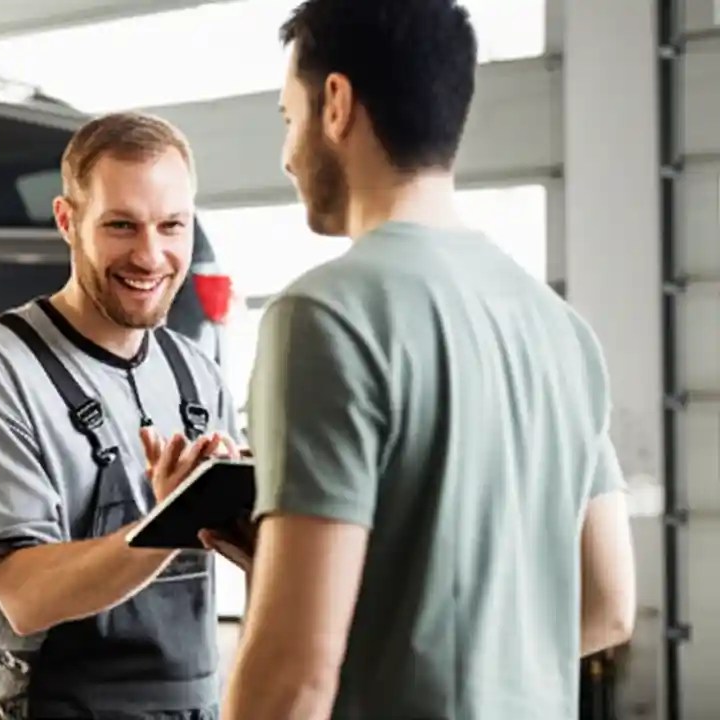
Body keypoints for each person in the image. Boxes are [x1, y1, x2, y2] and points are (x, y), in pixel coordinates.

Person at [218, 2, 639, 719]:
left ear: (338, 104)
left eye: (289, 117)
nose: (287, 156)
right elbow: (607, 605)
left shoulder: (324, 315)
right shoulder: (560, 329)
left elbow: (294, 678)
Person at [0, 111, 243, 720]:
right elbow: (26, 595)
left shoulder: (196, 374)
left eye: (172, 226)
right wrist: (173, 520)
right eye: (121, 226)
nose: (151, 256)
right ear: (68, 222)